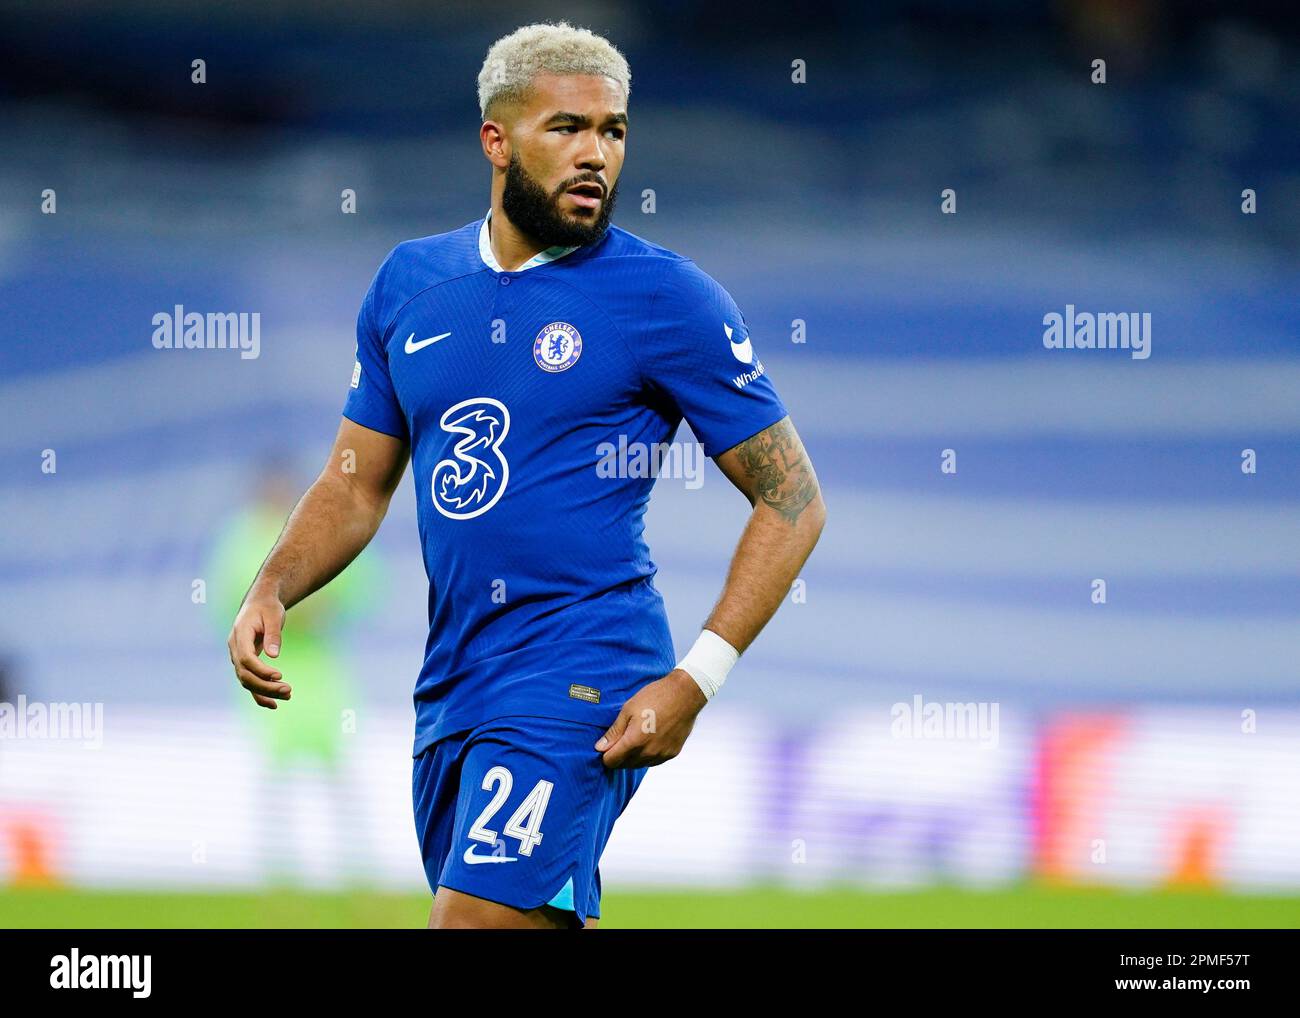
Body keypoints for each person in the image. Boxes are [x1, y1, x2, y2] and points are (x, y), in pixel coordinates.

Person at [226, 20, 825, 929]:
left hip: (584, 667)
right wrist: (274, 582)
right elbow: (355, 483)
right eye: (568, 128)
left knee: (472, 925)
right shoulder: (409, 285)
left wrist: (696, 679)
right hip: (455, 683)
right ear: (496, 141)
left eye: (614, 131)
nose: (596, 155)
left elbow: (793, 499)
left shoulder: (666, 298)